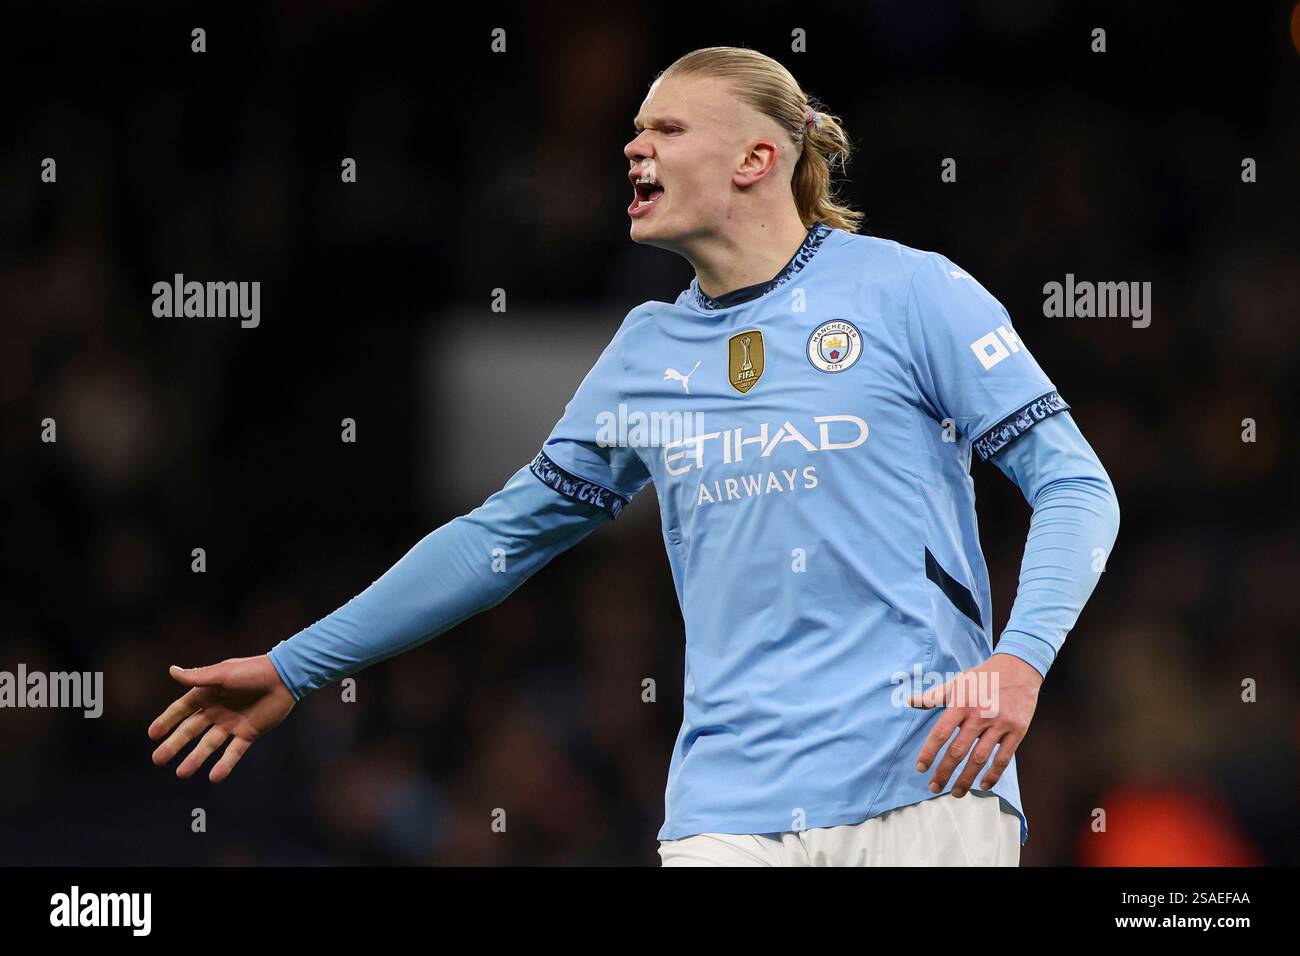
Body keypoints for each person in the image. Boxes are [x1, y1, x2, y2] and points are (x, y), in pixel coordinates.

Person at [149, 46, 1120, 866]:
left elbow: (1074, 482)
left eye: (665, 129)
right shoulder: (644, 352)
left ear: (756, 155)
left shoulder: (910, 293)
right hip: (726, 808)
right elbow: (498, 540)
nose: (632, 145)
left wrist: (1019, 660)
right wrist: (295, 664)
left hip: (927, 777)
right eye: (635, 130)